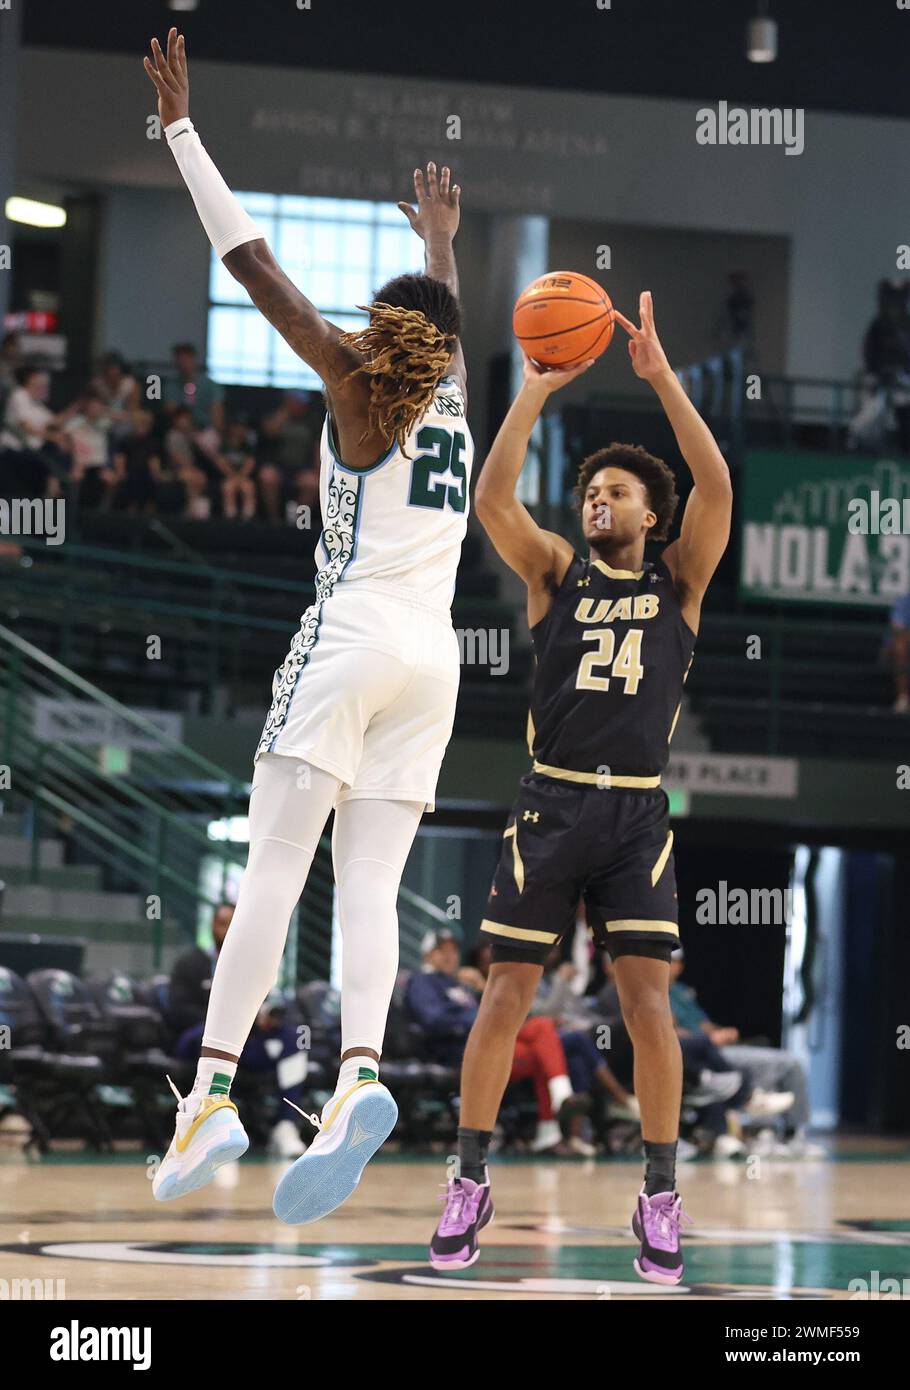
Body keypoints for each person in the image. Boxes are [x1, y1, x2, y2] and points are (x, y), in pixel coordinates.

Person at [145, 28, 472, 1224]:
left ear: (376, 334)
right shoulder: (451, 400)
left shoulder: (355, 380)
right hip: (434, 663)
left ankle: (213, 1093)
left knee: (274, 872)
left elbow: (250, 264)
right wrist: (438, 241)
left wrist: (183, 130)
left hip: (350, 639)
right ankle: (357, 1080)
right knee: (373, 887)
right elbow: (445, 319)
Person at [428, 290, 733, 1285]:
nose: (598, 501)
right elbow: (492, 500)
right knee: (505, 991)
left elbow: (717, 486)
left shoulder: (679, 579)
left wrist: (660, 380)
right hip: (550, 800)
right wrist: (533, 392)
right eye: (590, 491)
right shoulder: (555, 572)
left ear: (652, 515)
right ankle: (467, 1178)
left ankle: (657, 1193)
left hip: (637, 809)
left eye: (616, 493)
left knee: (647, 1000)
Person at [259, 390, 322, 523]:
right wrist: (285, 412)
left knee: (313, 484)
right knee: (267, 477)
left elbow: (318, 446)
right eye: (298, 402)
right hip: (278, 466)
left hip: (301, 468)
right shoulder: (277, 417)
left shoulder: (311, 421)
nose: (301, 406)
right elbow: (270, 432)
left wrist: (318, 470)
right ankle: (274, 520)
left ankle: (298, 521)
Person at [215, 419, 258, 520]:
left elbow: (250, 464)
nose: (239, 430)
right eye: (237, 427)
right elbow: (221, 464)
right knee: (228, 487)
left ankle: (248, 517)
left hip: (243, 477)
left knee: (248, 487)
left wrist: (240, 477)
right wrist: (233, 476)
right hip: (229, 477)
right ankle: (230, 517)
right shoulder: (224, 446)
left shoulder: (248, 447)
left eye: (242, 428)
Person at [887, 589, 910, 714]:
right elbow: (898, 630)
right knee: (900, 647)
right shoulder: (903, 601)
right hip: (901, 650)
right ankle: (903, 698)